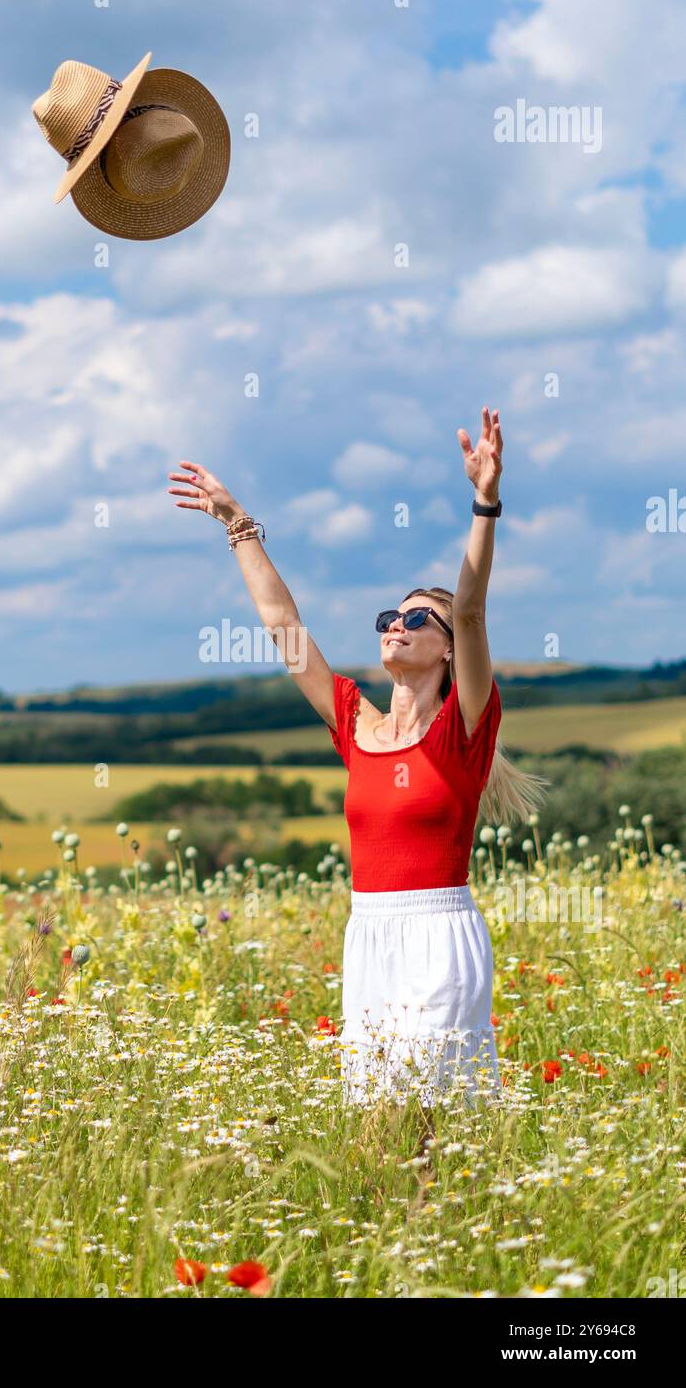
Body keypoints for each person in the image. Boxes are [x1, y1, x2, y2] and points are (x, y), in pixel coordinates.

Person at [167, 407, 546, 1109]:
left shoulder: (462, 730)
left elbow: (469, 610)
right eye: (388, 619)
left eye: (414, 621)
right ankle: (402, 1222)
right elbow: (285, 629)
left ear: (447, 650)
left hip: (438, 931)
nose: (396, 627)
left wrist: (485, 500)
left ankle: (447, 1217)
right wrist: (237, 526)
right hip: (367, 934)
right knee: (380, 1120)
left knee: (433, 1115)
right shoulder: (356, 725)